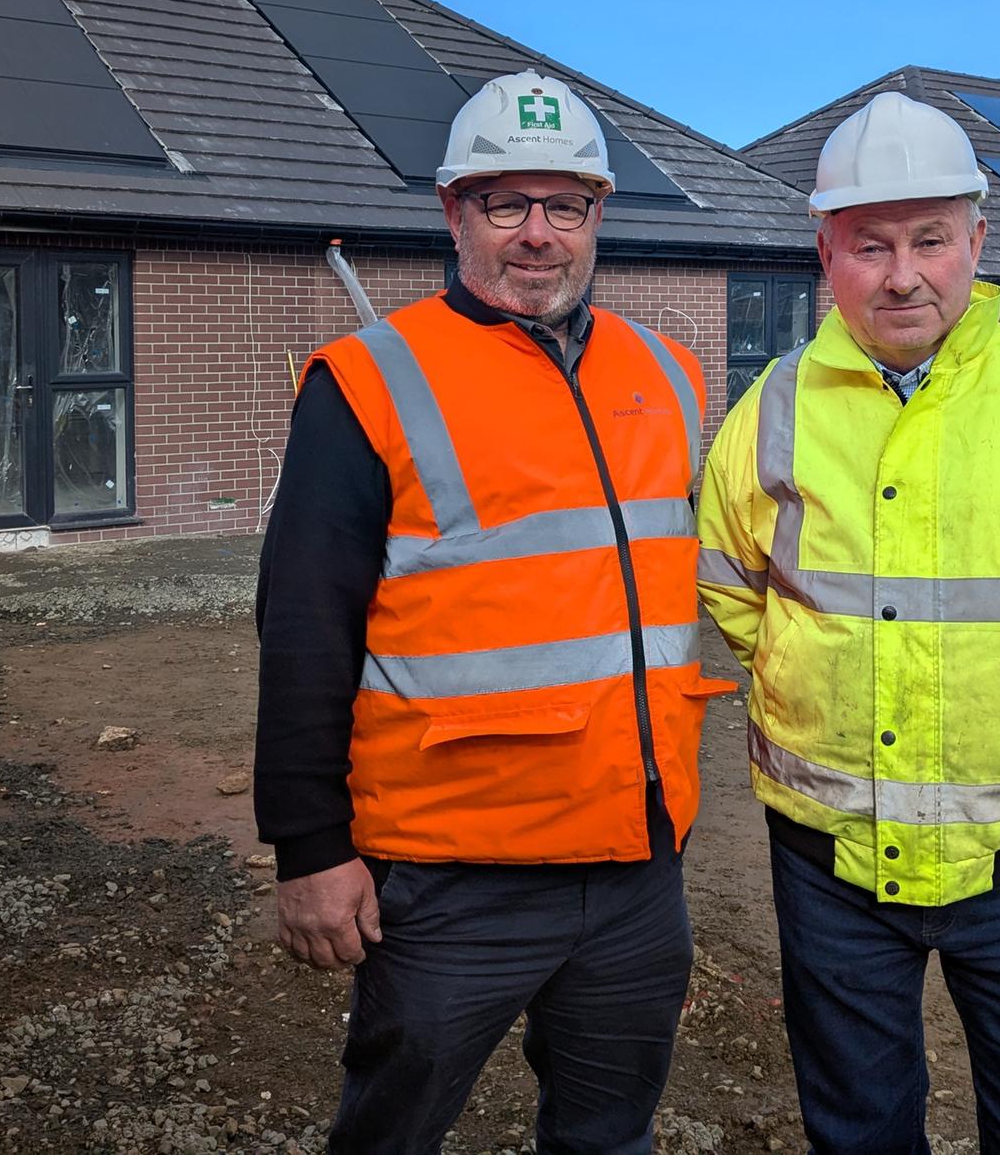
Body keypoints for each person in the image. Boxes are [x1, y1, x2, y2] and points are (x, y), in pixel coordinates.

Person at [254, 69, 731, 1155]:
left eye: (563, 206)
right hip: (449, 877)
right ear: (452, 212)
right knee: (389, 1136)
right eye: (504, 204)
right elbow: (300, 633)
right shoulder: (366, 381)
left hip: (632, 868)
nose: (536, 235)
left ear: (597, 216)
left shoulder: (666, 374)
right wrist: (308, 848)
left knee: (610, 1135)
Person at [696, 91, 1000, 1154]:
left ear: (976, 239)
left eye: (928, 239)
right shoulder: (769, 411)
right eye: (869, 243)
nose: (901, 273)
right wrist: (802, 676)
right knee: (857, 1122)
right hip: (828, 854)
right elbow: (732, 589)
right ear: (824, 251)